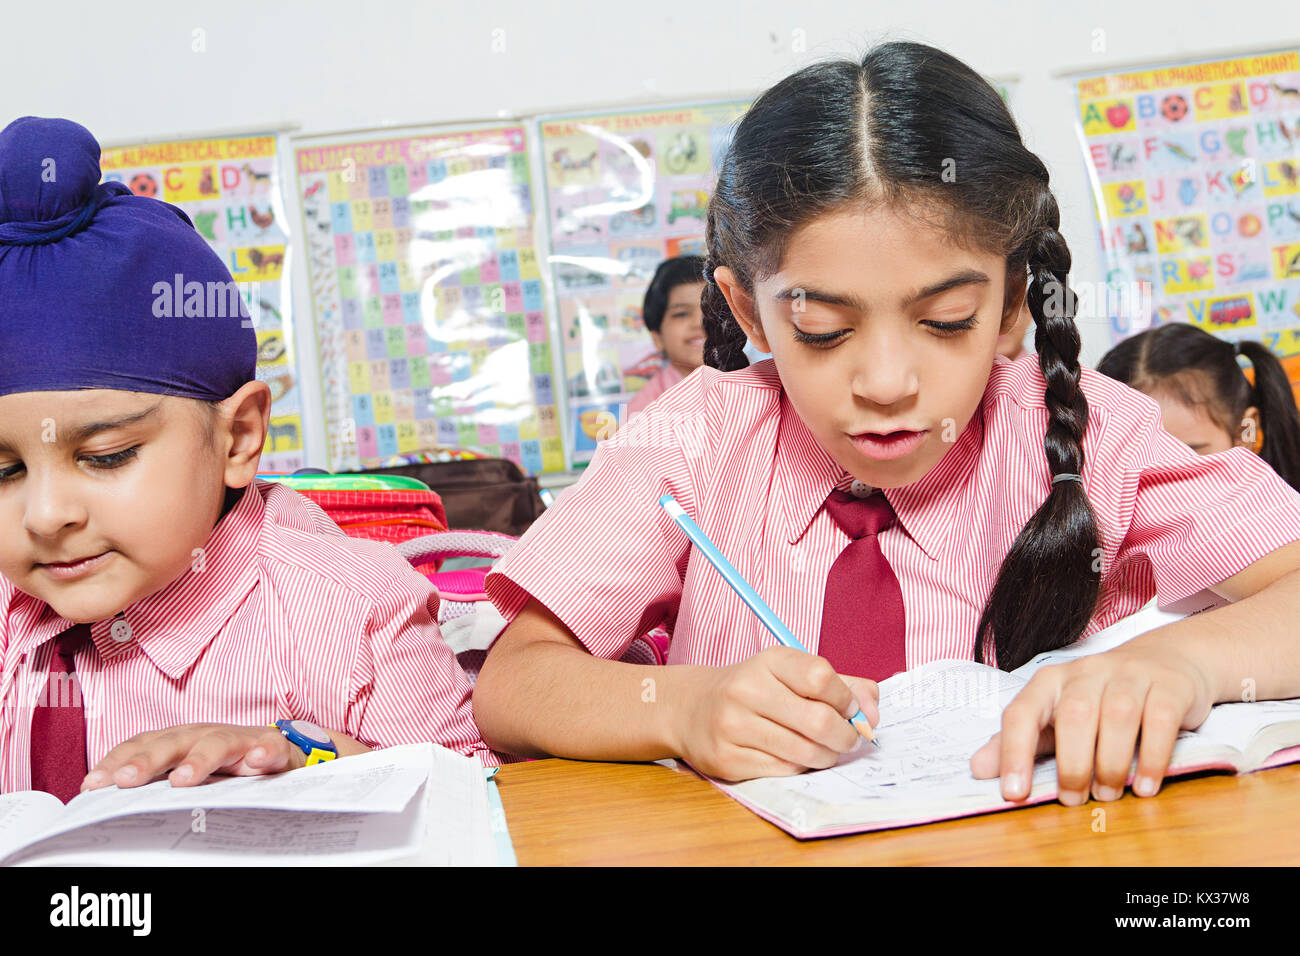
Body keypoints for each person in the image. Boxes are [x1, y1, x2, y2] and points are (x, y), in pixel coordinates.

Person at [471, 44, 1300, 808]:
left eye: (945, 321)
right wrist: (683, 708)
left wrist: (1181, 663)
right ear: (745, 311)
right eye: (824, 332)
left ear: (1011, 304)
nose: (887, 384)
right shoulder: (694, 437)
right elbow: (514, 683)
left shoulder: (1090, 434)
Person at [0, 117, 493, 801]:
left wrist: (309, 758)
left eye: (107, 457)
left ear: (237, 438)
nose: (46, 515)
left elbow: (479, 798)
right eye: (3, 472)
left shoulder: (350, 614)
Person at [1097, 323, 1300, 491]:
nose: (1162, 476)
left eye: (1189, 452)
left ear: (1245, 432)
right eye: (1135, 458)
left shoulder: (1282, 525)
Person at [626, 255, 708, 417]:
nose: (700, 322)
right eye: (682, 314)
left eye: (710, 309)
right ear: (657, 338)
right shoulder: (642, 413)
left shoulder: (759, 387)